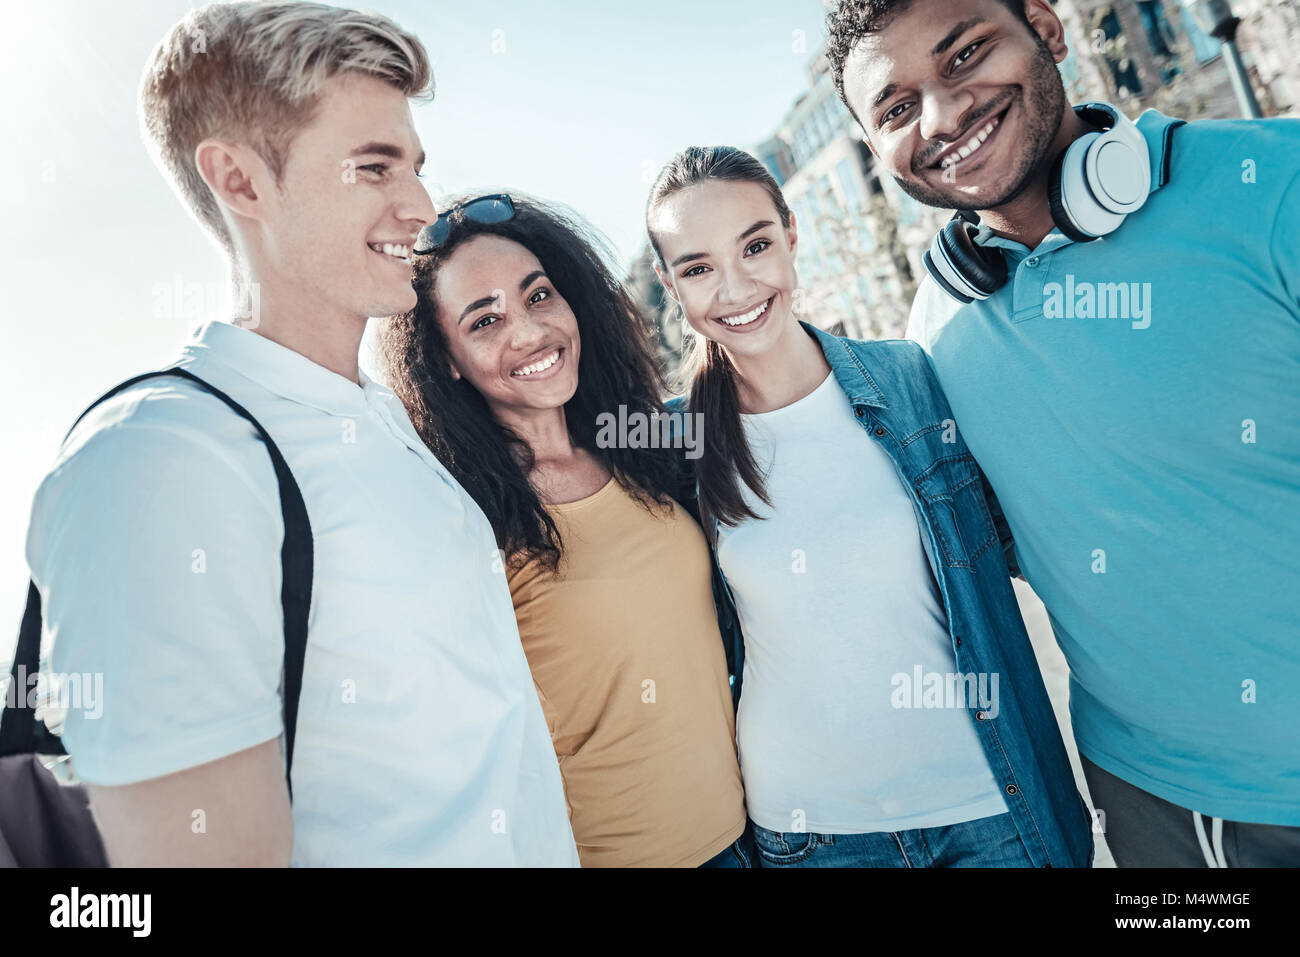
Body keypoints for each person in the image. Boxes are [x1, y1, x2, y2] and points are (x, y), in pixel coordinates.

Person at [22, 2, 577, 866]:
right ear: (241, 182)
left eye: (415, 167)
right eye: (374, 167)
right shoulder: (163, 462)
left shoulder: (378, 413)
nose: (423, 208)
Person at [827, 0, 1300, 865]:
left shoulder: (1277, 184)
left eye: (967, 54)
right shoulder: (933, 334)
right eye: (896, 108)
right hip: (1159, 812)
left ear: (1047, 30)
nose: (944, 115)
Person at [646, 145, 1093, 868]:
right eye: (697, 267)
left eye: (755, 245)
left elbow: (1041, 532)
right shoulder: (672, 444)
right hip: (812, 831)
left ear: (793, 236)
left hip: (990, 807)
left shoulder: (911, 377)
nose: (734, 286)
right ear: (672, 285)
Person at [379, 193, 754, 867]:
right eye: (485, 320)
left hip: (748, 835)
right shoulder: (465, 520)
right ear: (449, 362)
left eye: (539, 295)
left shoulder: (650, 449)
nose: (529, 331)